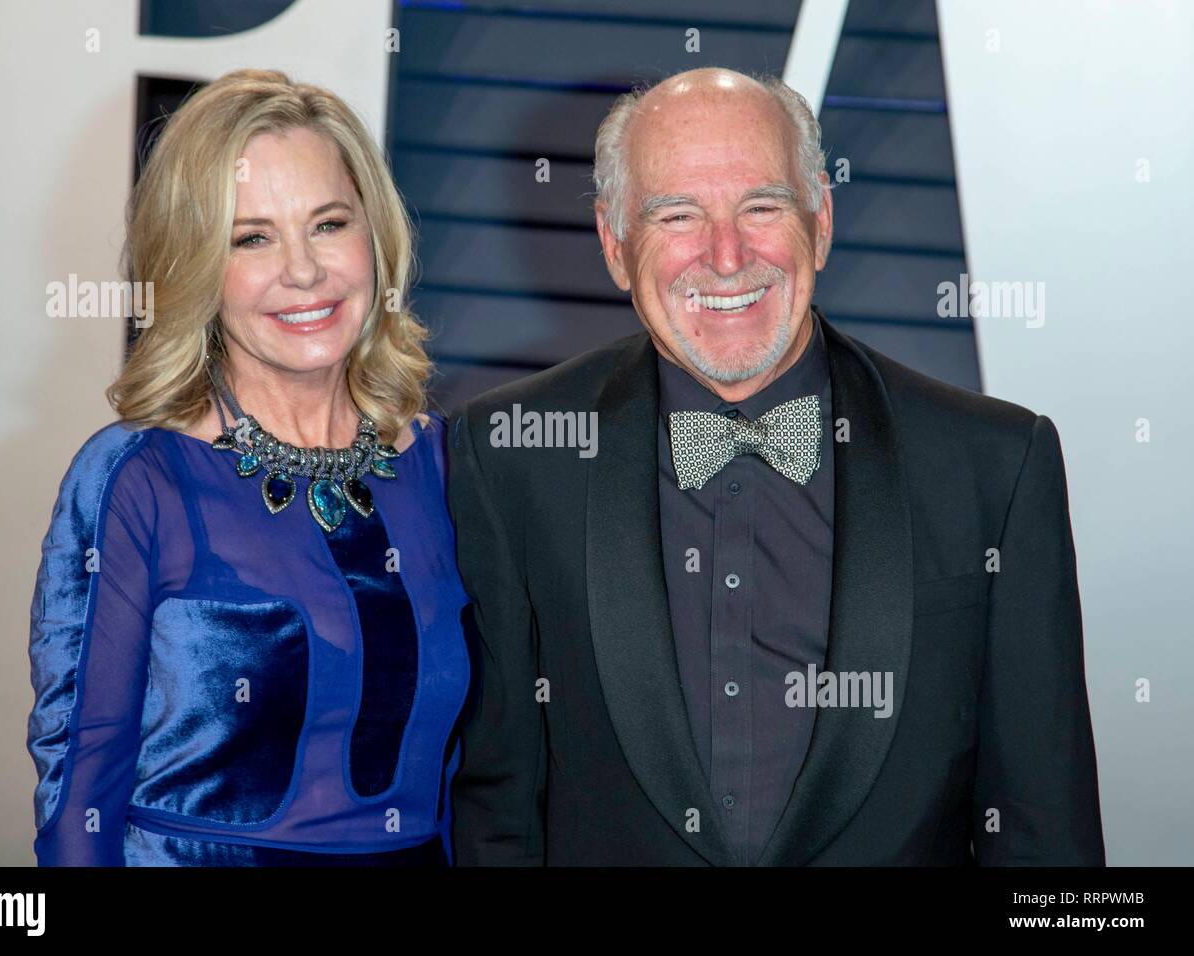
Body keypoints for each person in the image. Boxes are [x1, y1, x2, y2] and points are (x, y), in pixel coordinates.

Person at [446, 67, 1105, 865]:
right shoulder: (510, 456)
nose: (726, 257)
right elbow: (497, 818)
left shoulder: (995, 468)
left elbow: (1048, 843)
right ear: (614, 245)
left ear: (820, 222)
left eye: (762, 207)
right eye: (677, 215)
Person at [26, 69, 470, 866]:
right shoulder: (139, 479)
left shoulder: (442, 463)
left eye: (329, 224)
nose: (303, 271)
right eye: (251, 237)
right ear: (196, 266)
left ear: (377, 237)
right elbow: (78, 799)